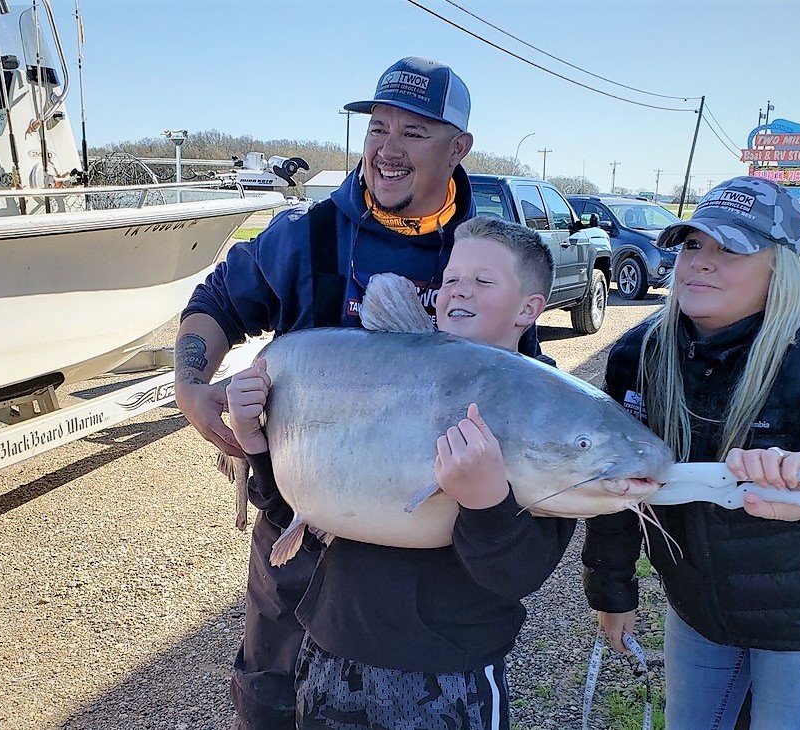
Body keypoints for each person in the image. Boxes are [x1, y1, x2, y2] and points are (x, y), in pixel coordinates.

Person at [175, 57, 545, 728]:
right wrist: (191, 387)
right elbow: (217, 301)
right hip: (298, 521)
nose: (387, 148)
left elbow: (522, 388)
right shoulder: (306, 235)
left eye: (413, 131)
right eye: (377, 127)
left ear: (458, 148)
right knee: (268, 696)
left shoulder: (480, 260)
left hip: (416, 560)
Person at [226, 216, 576, 728]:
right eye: (453, 278)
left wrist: (487, 503)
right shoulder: (378, 376)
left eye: (484, 281)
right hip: (331, 648)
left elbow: (518, 572)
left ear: (530, 308)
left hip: (449, 672)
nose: (461, 290)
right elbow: (296, 506)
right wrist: (254, 441)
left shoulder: (550, 412)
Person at [581, 176, 800, 730]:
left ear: (780, 269)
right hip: (698, 612)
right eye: (692, 245)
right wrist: (611, 588)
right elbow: (613, 485)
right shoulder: (638, 354)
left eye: (729, 249)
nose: (700, 263)